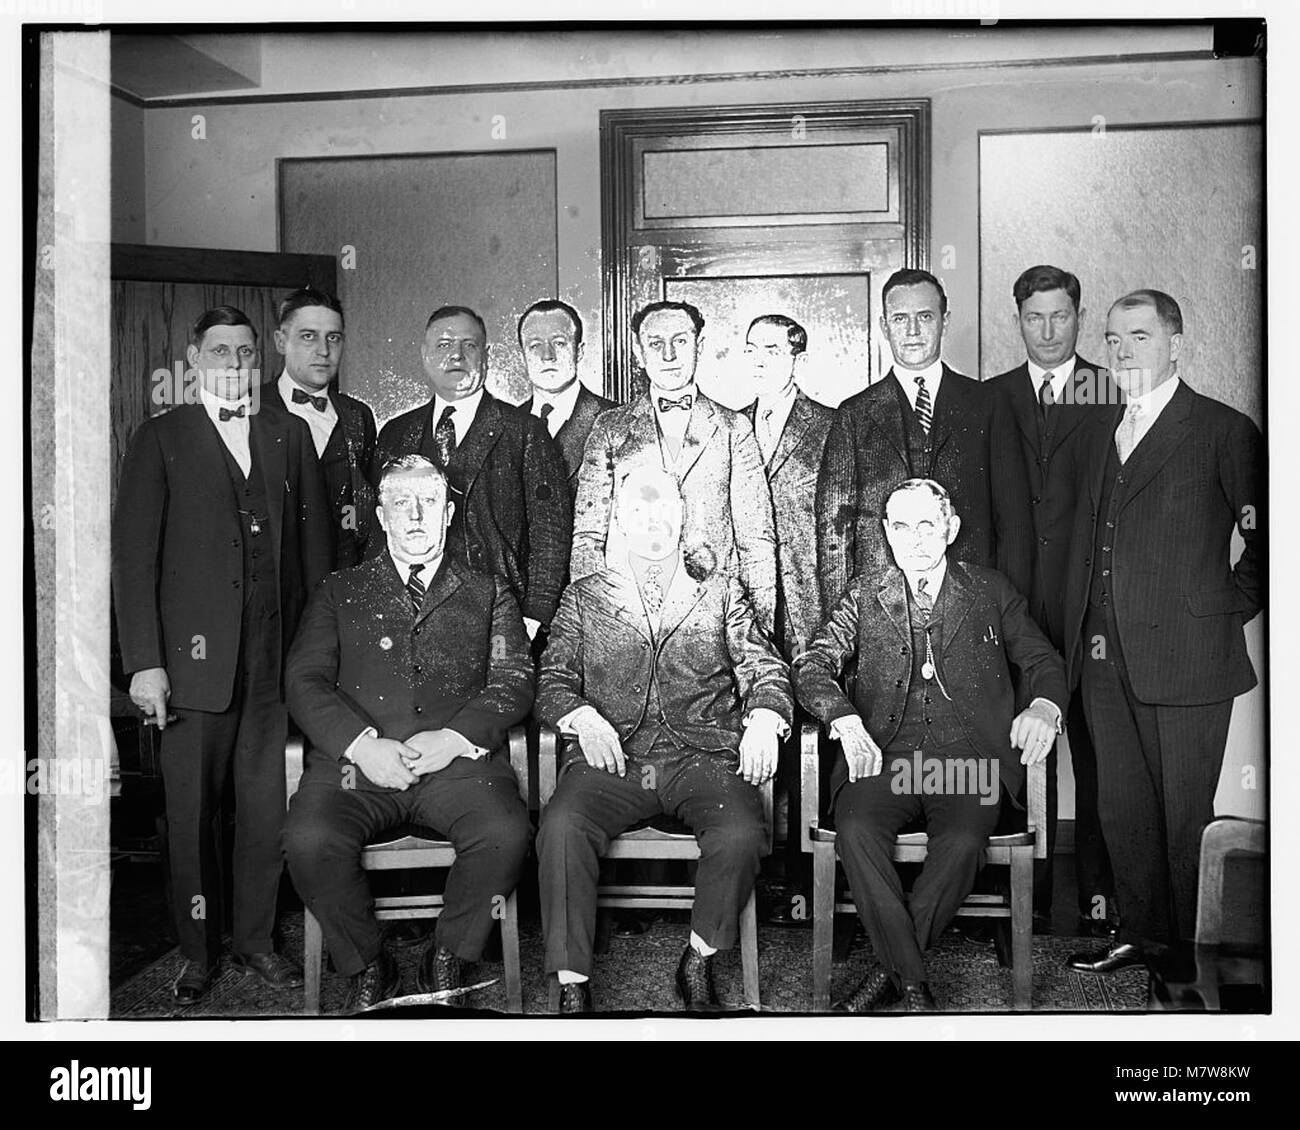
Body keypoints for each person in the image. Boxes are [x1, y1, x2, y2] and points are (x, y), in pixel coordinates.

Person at [112, 305, 333, 1004]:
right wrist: (145, 660)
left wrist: (318, 655)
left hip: (274, 663)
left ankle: (257, 942)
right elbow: (133, 558)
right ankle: (198, 950)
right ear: (194, 359)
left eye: (244, 352)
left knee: (266, 813)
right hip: (189, 668)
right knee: (191, 815)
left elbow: (316, 554)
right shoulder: (159, 438)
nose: (234, 365)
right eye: (219, 352)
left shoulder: (288, 433)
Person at [794, 479, 1067, 1011]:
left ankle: (890, 976)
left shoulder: (989, 589)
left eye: (927, 524)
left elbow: (1044, 661)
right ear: (886, 534)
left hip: (967, 760)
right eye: (901, 526)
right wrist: (846, 722)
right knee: (855, 828)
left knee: (964, 843)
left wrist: (1043, 707)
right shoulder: (863, 595)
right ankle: (911, 982)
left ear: (951, 529)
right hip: (884, 757)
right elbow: (812, 666)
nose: (914, 539)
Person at [1061, 290, 1262, 997]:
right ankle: (1139, 936)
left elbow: (1268, 538)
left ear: (1176, 345)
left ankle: (1185, 954)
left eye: (1139, 337)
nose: (1121, 352)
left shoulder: (1222, 430)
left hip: (1188, 662)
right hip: (1103, 663)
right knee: (1123, 809)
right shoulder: (1104, 431)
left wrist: (1217, 610)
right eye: (1113, 339)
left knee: (1184, 816)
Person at [282, 455, 534, 1013]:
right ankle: (367, 962)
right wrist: (362, 746)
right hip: (358, 767)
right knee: (309, 839)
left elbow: (514, 679)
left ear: (448, 513)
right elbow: (303, 681)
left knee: (504, 833)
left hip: (456, 767)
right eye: (401, 503)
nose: (415, 515)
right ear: (381, 515)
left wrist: (454, 737)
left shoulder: (487, 589)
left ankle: (449, 953)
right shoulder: (339, 589)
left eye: (428, 503)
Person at [536, 467, 793, 1012]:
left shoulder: (720, 590)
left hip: (700, 756)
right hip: (614, 755)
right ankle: (572, 981)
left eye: (663, 511)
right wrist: (581, 715)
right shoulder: (586, 597)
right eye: (637, 512)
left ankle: (698, 957)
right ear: (618, 522)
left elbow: (764, 669)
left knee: (743, 834)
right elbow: (552, 677)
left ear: (683, 519)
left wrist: (766, 719)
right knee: (560, 829)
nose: (652, 522)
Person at [986, 266, 1119, 935]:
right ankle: (1023, 903)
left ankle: (1101, 904)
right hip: (1013, 607)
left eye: (1059, 317)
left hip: (1090, 609)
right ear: (1018, 318)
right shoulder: (992, 398)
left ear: (1079, 315)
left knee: (1096, 756)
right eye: (1034, 317)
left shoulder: (1112, 391)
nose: (1046, 330)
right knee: (1016, 749)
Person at [816, 269, 1032, 612]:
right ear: (884, 325)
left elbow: (1015, 524)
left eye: (925, 317)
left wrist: (1007, 615)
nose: (913, 331)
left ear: (944, 320)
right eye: (900, 318)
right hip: (882, 613)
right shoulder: (854, 415)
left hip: (971, 610)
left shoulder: (988, 405)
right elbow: (834, 536)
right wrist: (845, 626)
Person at [570, 299, 777, 637]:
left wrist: (756, 634)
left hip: (714, 621)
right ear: (639, 353)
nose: (668, 356)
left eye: (680, 341)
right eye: (655, 344)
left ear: (700, 346)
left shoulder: (733, 428)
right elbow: (589, 538)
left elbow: (756, 541)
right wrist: (596, 628)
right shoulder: (609, 428)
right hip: (631, 619)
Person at [372, 305, 572, 643]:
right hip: (411, 615)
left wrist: (533, 616)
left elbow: (549, 533)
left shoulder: (524, 431)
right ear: (424, 355)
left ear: (487, 355)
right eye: (444, 345)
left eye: (469, 345)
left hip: (500, 618)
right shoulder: (396, 433)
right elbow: (380, 531)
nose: (457, 356)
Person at [274, 287, 378, 569]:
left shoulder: (358, 416)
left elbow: (364, 508)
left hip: (341, 579)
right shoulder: (248, 408)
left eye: (333, 338)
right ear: (281, 341)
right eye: (308, 336)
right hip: (274, 586)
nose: (323, 351)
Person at [517, 298, 616, 500]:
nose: (548, 356)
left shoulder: (616, 420)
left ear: (579, 352)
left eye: (559, 343)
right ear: (522, 357)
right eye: (535, 345)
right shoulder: (506, 426)